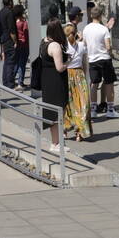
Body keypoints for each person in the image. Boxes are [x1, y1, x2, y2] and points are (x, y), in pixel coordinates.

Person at [82, 8, 118, 118]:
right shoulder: (104, 29)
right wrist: (111, 53)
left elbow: (84, 43)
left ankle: (93, 110)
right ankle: (110, 110)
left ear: (91, 16)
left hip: (92, 59)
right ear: (100, 16)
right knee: (109, 83)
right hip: (104, 59)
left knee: (94, 83)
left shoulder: (86, 29)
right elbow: (108, 46)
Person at [40, 19, 69, 154]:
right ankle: (56, 143)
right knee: (58, 111)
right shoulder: (55, 46)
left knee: (52, 112)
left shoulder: (44, 41)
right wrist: (69, 62)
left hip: (46, 80)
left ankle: (55, 142)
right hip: (56, 81)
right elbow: (59, 67)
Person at [63, 22, 92, 141]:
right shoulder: (81, 46)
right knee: (82, 104)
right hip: (79, 75)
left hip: (67, 75)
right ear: (75, 34)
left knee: (68, 104)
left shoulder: (63, 46)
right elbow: (85, 63)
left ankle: (65, 129)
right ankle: (79, 132)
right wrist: (85, 76)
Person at [0, 0, 17, 87]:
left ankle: (5, 81)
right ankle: (10, 83)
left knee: (6, 61)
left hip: (3, 38)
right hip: (9, 40)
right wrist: (15, 41)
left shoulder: (1, 12)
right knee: (10, 61)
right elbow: (12, 30)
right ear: (10, 2)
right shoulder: (9, 13)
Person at [12, 4, 30, 88]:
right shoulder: (24, 22)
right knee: (22, 64)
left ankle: (12, 79)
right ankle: (20, 82)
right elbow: (26, 34)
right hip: (24, 44)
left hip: (17, 44)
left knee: (16, 63)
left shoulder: (14, 22)